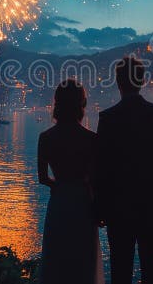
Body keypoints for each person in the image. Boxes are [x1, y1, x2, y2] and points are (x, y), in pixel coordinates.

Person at [96, 57, 153, 284]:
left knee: (120, 271)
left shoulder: (107, 118)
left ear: (118, 82)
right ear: (142, 80)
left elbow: (100, 169)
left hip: (117, 209)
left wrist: (100, 208)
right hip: (152, 208)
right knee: (152, 270)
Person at [38, 79, 104, 284]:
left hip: (59, 203)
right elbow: (96, 180)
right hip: (84, 203)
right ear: (81, 105)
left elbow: (42, 178)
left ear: (57, 103)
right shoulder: (92, 139)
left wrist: (58, 186)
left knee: (57, 260)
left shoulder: (46, 137)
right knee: (83, 262)